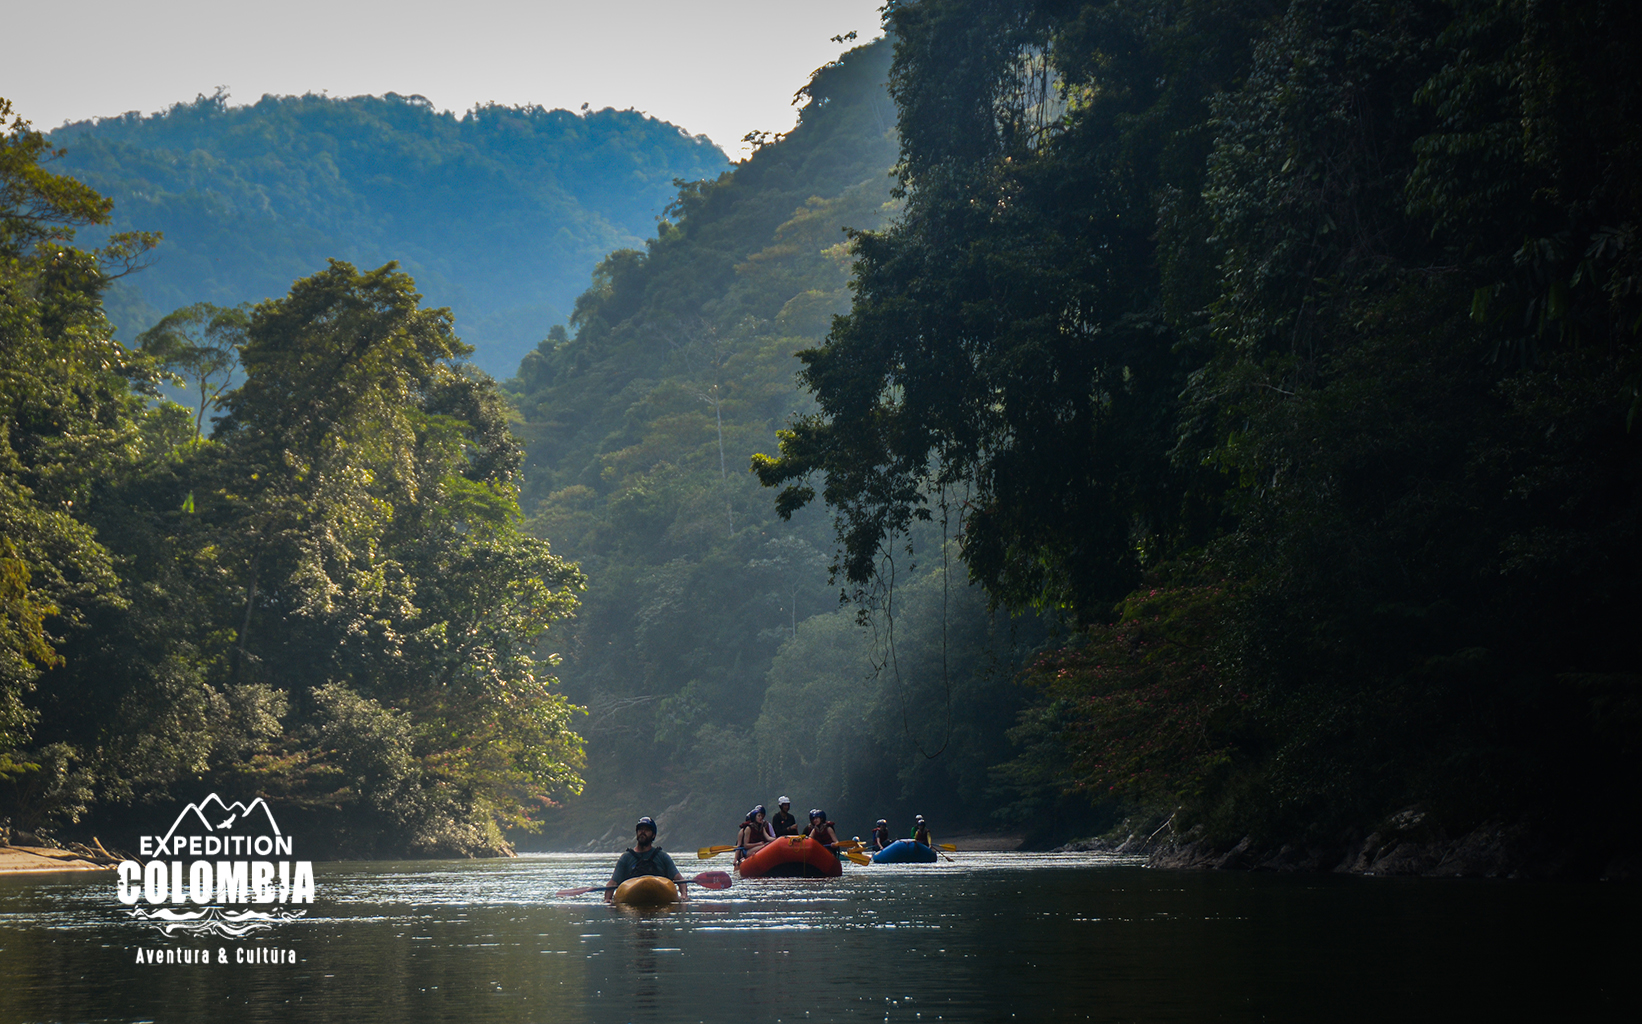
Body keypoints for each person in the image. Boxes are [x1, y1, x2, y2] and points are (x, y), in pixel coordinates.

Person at [606, 816, 688, 902]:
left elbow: (680, 880)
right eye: (640, 829)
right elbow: (613, 883)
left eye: (647, 830)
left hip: (660, 897)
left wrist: (684, 895)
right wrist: (607, 900)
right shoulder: (626, 858)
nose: (643, 832)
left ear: (653, 835)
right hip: (633, 898)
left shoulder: (662, 856)